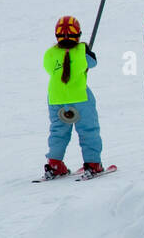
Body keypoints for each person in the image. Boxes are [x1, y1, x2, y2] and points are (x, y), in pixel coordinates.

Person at [42, 15, 104, 178]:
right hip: (80, 98)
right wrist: (85, 49)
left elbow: (49, 68)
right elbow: (93, 62)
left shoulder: (50, 54)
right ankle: (92, 163)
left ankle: (54, 163)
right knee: (88, 129)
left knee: (58, 131)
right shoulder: (82, 51)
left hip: (56, 99)